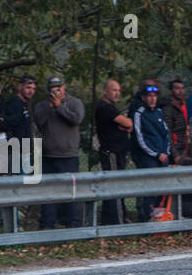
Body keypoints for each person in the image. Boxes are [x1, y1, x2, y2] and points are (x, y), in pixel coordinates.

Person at [31, 77, 86, 229]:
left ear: (64, 87)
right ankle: (47, 225)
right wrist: (50, 107)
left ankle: (72, 224)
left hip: (68, 156)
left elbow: (77, 119)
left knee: (70, 193)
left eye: (58, 87)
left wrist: (60, 106)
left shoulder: (75, 102)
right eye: (52, 88)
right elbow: (38, 120)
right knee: (48, 194)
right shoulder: (42, 105)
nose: (56, 91)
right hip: (48, 157)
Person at [130, 83, 170, 222]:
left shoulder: (159, 113)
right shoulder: (139, 114)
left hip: (163, 158)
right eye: (149, 96)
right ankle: (147, 218)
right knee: (150, 191)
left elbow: (166, 134)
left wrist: (166, 152)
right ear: (143, 98)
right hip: (149, 159)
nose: (152, 99)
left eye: (154, 96)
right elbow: (140, 138)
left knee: (162, 190)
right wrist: (156, 154)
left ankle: (161, 218)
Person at [94, 78, 132, 225]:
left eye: (118, 91)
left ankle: (110, 220)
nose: (117, 94)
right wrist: (124, 125)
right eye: (114, 90)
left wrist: (123, 125)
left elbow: (126, 125)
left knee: (117, 186)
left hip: (119, 152)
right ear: (105, 91)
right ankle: (117, 221)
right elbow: (128, 123)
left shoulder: (112, 108)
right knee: (114, 186)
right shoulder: (105, 107)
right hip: (112, 153)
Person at [163, 79, 190, 158]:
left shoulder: (184, 105)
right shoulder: (167, 108)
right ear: (171, 91)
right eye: (177, 88)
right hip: (175, 150)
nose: (181, 91)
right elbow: (168, 132)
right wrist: (175, 154)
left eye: (182, 88)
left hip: (185, 147)